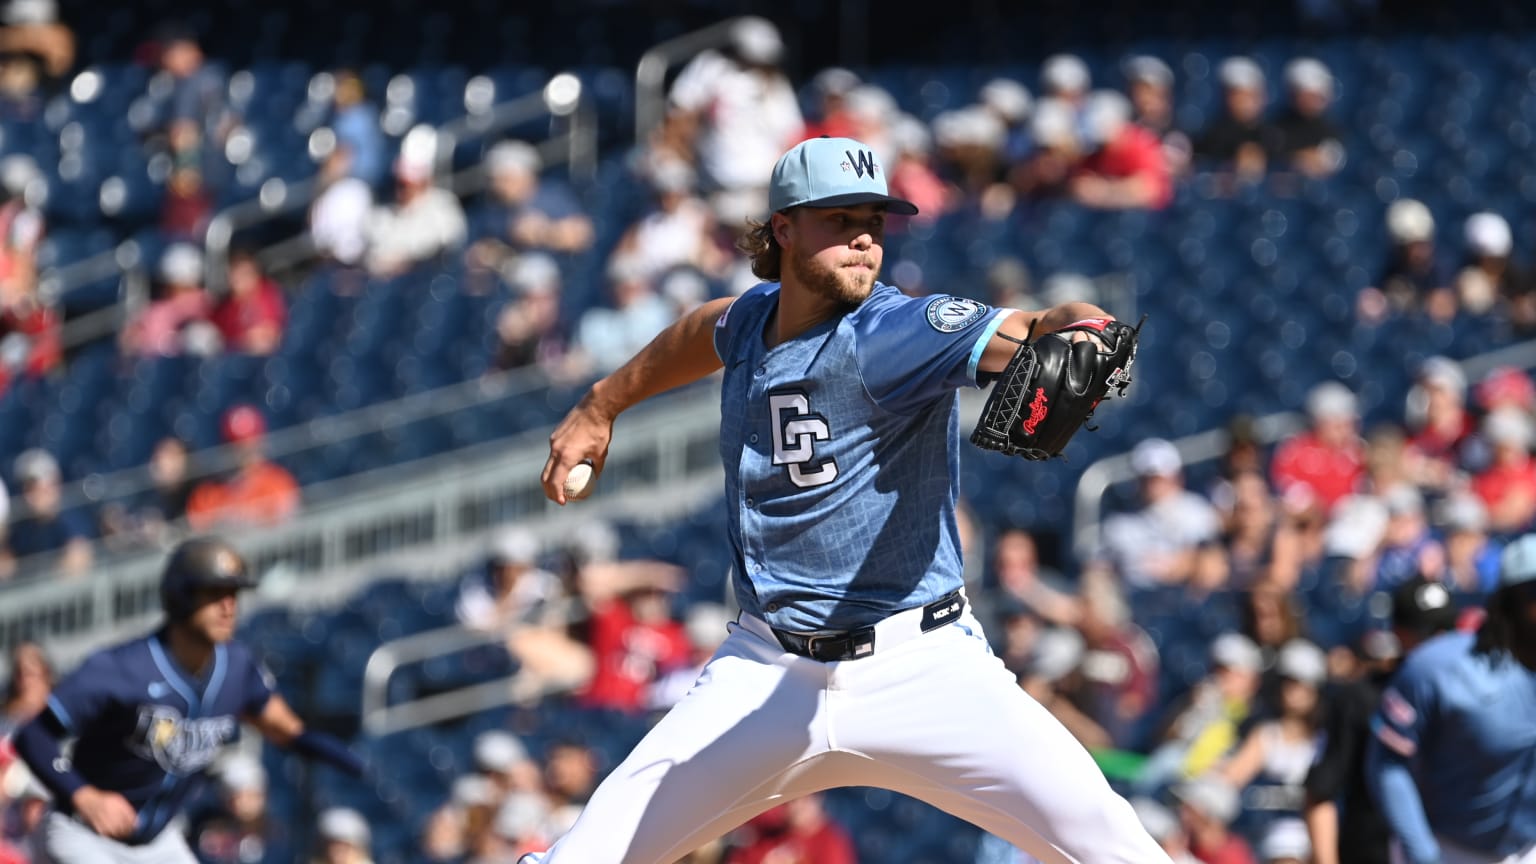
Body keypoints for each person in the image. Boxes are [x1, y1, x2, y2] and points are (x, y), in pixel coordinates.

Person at [531, 135, 1170, 863]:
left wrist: (1081, 323)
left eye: (875, 218)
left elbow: (1031, 326)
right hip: (766, 670)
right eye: (840, 219)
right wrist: (599, 405)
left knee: (1119, 848)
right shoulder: (751, 320)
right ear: (783, 228)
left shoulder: (896, 330)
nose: (865, 238)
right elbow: (695, 331)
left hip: (923, 666)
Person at [9, 536, 365, 864]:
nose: (228, 606)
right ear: (180, 596)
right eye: (215, 593)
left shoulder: (237, 668)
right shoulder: (121, 667)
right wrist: (83, 795)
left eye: (234, 595)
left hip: (158, 841)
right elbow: (33, 736)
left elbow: (289, 732)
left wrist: (357, 764)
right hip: (84, 834)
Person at [1366, 535, 1536, 864]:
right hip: (1446, 847)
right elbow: (1388, 763)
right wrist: (1422, 852)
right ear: (1509, 601)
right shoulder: (1438, 667)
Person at [1302, 577, 1457, 864]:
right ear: (1399, 634)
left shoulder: (1474, 698)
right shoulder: (1361, 698)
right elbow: (1321, 790)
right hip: (1372, 851)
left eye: (1445, 631)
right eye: (1425, 634)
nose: (1437, 643)